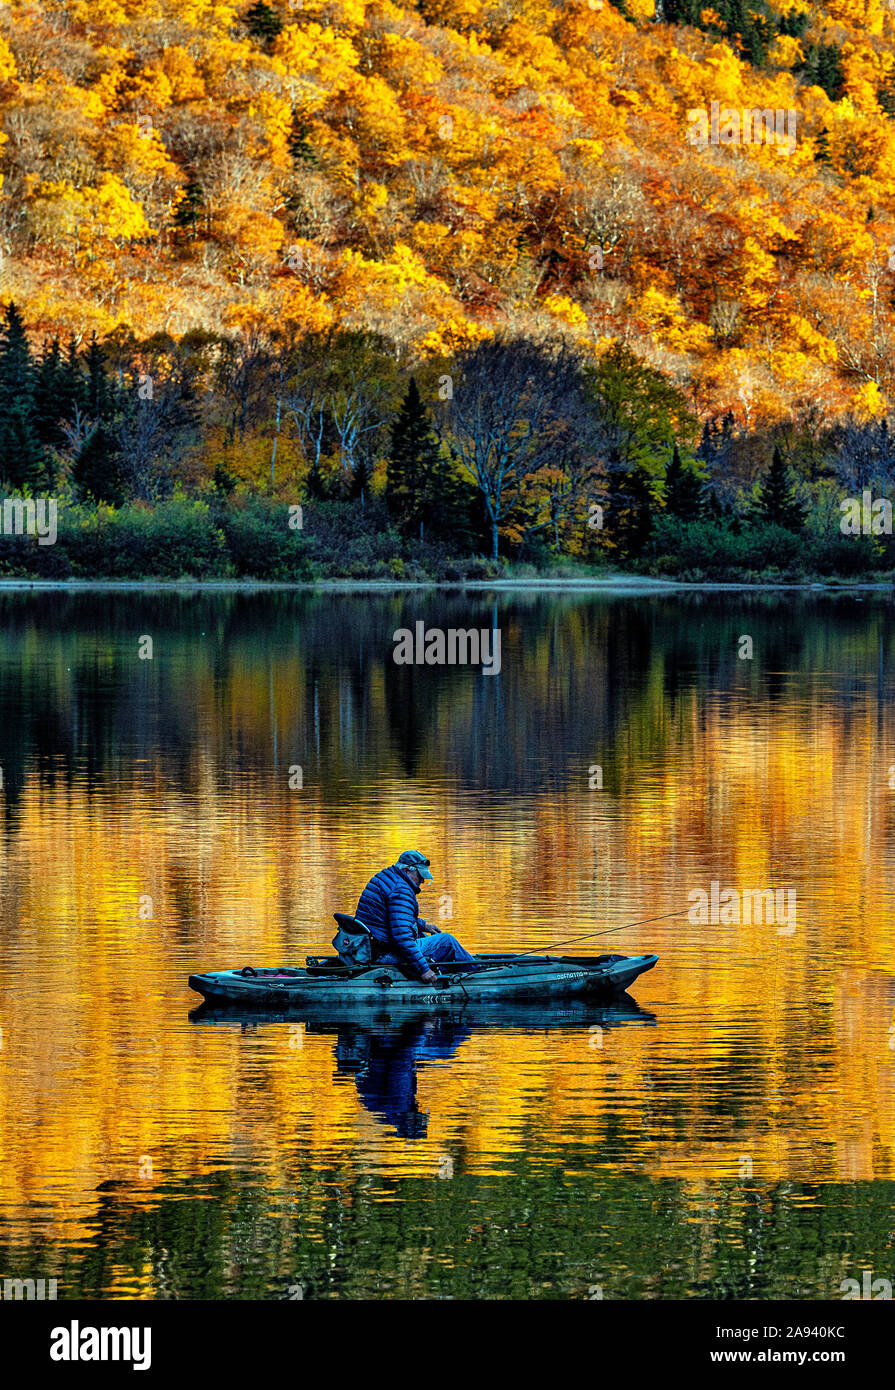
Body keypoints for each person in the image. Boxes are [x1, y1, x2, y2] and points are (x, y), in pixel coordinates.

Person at [355, 850, 477, 982]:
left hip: (371, 948)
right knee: (447, 941)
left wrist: (424, 926)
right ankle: (478, 976)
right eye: (420, 875)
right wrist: (424, 970)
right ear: (407, 870)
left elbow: (393, 918)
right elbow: (402, 937)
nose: (422, 881)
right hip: (385, 954)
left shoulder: (385, 877)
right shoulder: (401, 889)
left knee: (422, 936)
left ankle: (451, 968)